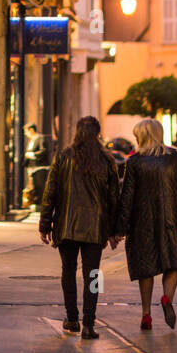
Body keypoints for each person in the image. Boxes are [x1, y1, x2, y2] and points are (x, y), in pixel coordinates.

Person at [38, 116, 120, 340]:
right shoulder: (106, 161)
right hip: (95, 228)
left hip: (66, 226)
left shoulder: (63, 156)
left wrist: (45, 223)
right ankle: (89, 323)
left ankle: (72, 318)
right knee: (93, 274)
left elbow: (50, 192)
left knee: (68, 272)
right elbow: (114, 198)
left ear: (77, 133)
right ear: (97, 134)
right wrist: (113, 230)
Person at [114, 118, 177, 331]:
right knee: (173, 263)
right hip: (173, 220)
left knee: (146, 268)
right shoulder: (175, 159)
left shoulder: (134, 162)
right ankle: (167, 298)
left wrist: (120, 229)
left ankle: (146, 314)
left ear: (142, 136)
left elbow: (127, 197)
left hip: (143, 223)